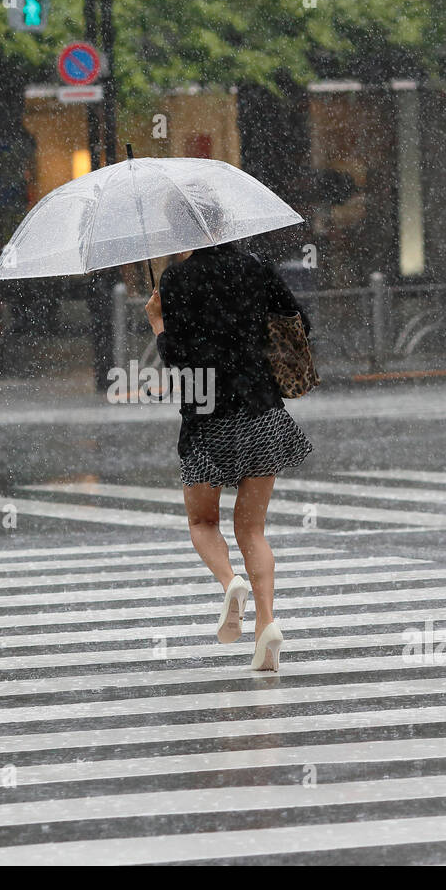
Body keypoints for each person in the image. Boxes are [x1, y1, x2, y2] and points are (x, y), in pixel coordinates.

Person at [145, 226, 313, 673]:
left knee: (202, 521)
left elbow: (177, 355)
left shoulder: (176, 279)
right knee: (252, 531)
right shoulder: (255, 267)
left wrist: (157, 320)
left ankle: (229, 582)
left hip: (206, 416)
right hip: (260, 407)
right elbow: (299, 322)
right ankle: (266, 626)